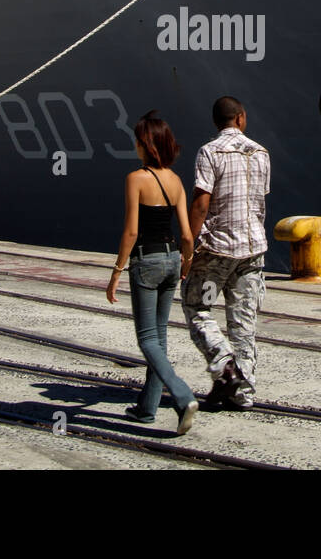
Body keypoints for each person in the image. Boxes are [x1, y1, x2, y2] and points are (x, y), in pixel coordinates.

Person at [105, 111, 197, 435]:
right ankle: (146, 408)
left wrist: (116, 271)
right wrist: (185, 263)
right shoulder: (176, 181)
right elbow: (187, 234)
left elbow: (131, 231)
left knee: (147, 340)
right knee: (160, 337)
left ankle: (183, 395)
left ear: (146, 144)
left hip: (146, 261)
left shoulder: (136, 178)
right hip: (173, 259)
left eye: (138, 139)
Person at [183, 96, 270, 409]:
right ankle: (243, 394)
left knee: (196, 307)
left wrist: (188, 243)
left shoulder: (210, 152)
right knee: (244, 323)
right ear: (242, 118)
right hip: (253, 252)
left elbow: (201, 202)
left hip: (217, 250)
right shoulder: (261, 152)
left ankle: (223, 362)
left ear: (216, 121)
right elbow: (260, 201)